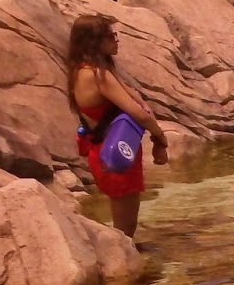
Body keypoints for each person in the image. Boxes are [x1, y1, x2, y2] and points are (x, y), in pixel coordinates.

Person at [67, 15, 168, 239]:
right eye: (110, 36)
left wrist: (144, 107)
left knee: (124, 225)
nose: (116, 40)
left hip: (105, 152)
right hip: (115, 154)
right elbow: (138, 112)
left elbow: (136, 98)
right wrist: (161, 139)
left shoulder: (84, 70)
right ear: (94, 41)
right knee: (126, 229)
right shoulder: (97, 75)